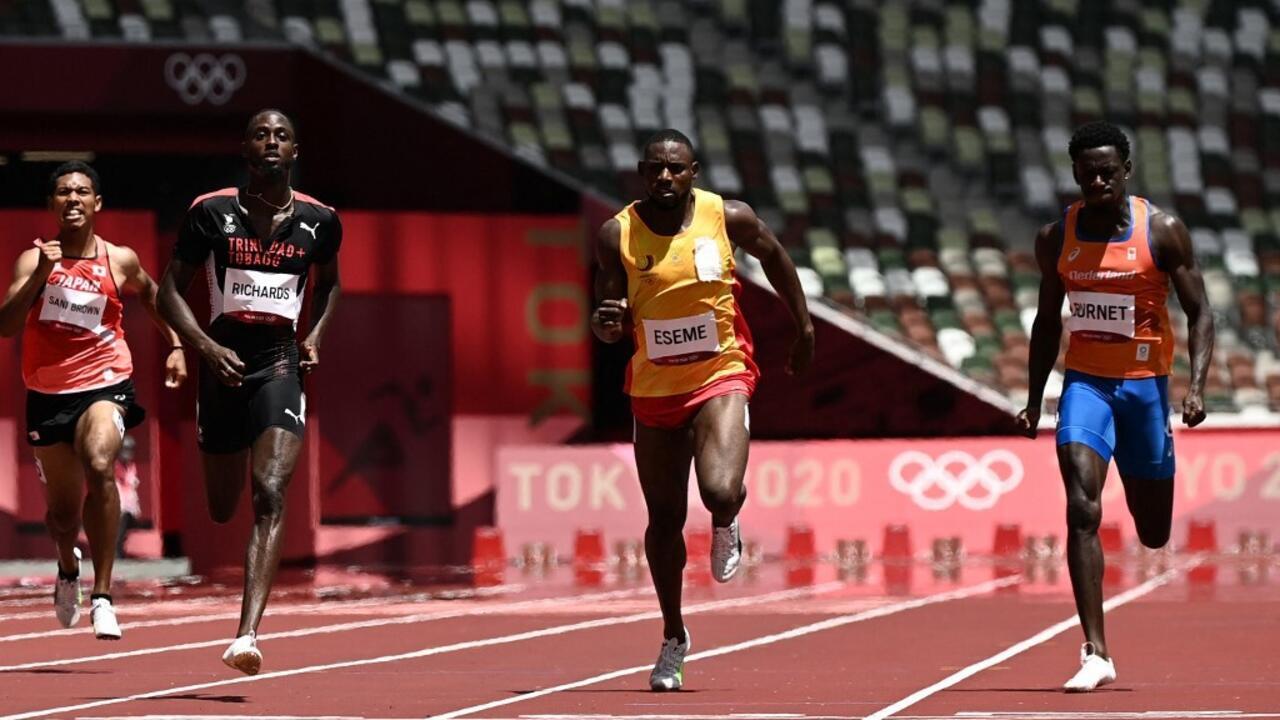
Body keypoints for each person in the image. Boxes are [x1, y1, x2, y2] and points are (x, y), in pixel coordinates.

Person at [591, 129, 814, 691]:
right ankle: (673, 637)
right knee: (664, 520)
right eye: (656, 169)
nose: (666, 177)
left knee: (717, 489)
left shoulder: (728, 216)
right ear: (642, 172)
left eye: (677, 168)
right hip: (653, 387)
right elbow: (609, 313)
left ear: (694, 172)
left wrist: (804, 326)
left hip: (720, 370)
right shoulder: (616, 232)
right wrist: (606, 323)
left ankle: (726, 518)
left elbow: (777, 256)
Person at [1016, 121, 1214, 692]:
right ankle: (1096, 651)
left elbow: (1201, 312)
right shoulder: (1057, 237)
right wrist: (1033, 400)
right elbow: (1045, 320)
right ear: (1075, 174)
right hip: (1087, 385)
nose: (1098, 178)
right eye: (1087, 171)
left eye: (1108, 170)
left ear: (1126, 170)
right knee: (1082, 507)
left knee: (1152, 531)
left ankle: (1146, 487)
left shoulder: (1165, 232)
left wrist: (1195, 387)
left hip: (1146, 389)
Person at [157, 109, 342, 675]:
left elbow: (331, 285)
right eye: (261, 134)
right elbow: (168, 292)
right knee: (220, 509)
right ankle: (223, 439)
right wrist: (204, 349)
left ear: (294, 150)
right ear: (245, 147)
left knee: (270, 493)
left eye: (281, 135)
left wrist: (313, 333)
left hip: (278, 362)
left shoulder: (320, 220)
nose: (271, 142)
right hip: (222, 362)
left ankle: (247, 635)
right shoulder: (210, 212)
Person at [0, 161, 187, 639]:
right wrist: (42, 275)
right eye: (64, 192)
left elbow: (152, 294)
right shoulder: (33, 260)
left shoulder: (118, 259)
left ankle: (103, 594)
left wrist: (177, 345)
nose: (74, 198)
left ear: (97, 203)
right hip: (47, 394)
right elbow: (5, 326)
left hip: (106, 381)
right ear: (52, 204)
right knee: (62, 519)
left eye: (83, 191)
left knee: (101, 462)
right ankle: (68, 568)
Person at [114, 434, 141, 558]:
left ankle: (120, 546)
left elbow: (132, 482)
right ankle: (116, 550)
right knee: (118, 525)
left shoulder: (131, 465)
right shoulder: (115, 465)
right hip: (119, 499)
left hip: (128, 501)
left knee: (126, 525)